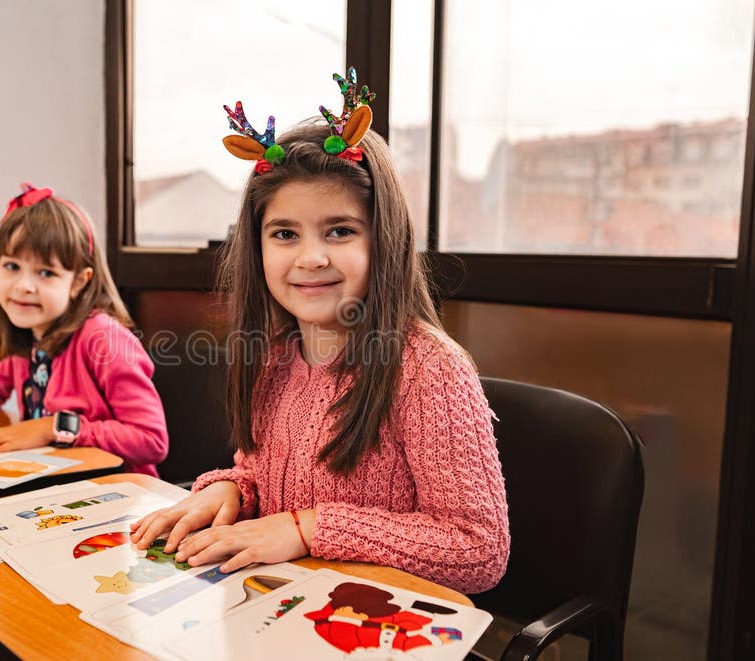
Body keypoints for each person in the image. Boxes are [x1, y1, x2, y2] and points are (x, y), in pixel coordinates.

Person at [131, 68, 509, 595]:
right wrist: (231, 490)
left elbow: (477, 550)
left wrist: (306, 528)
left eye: (339, 230)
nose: (311, 257)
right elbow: (262, 473)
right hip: (281, 606)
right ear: (257, 248)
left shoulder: (429, 369)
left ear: (383, 240)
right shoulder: (277, 355)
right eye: (284, 234)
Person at [0, 183, 168, 476]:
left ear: (79, 282)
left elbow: (152, 440)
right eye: (11, 266)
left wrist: (53, 427)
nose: (23, 286)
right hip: (51, 487)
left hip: (116, 496)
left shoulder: (104, 339)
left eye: (46, 273)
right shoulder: (28, 332)